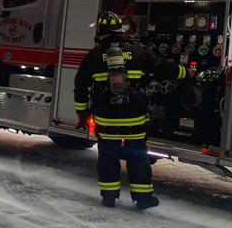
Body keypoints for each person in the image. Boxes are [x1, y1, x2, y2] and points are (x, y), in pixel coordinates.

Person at [74, 11, 187, 210]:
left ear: (100, 31)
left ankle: (109, 196)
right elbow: (163, 67)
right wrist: (186, 72)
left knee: (108, 157)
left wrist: (82, 113)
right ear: (119, 29)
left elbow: (80, 85)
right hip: (134, 118)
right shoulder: (138, 52)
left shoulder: (93, 56)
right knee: (138, 156)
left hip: (106, 120)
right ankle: (143, 199)